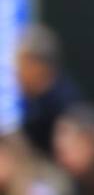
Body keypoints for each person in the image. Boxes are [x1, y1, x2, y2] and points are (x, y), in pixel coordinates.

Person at [15, 25, 82, 159]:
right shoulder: (28, 96)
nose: (16, 71)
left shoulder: (65, 103)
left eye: (21, 64)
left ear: (36, 65)